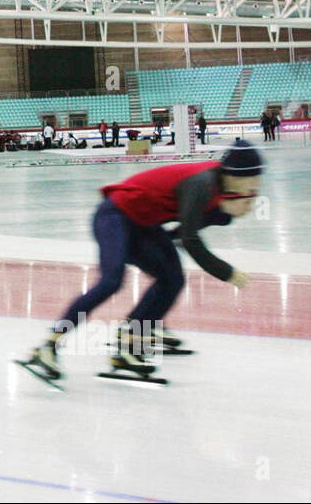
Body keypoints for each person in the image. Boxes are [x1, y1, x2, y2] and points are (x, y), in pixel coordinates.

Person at [18, 140, 263, 387]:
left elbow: (185, 228)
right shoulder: (202, 183)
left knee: (172, 279)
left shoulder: (223, 190)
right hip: (114, 216)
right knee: (111, 282)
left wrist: (224, 216)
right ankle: (48, 346)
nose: (255, 187)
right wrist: (226, 272)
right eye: (252, 180)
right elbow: (190, 238)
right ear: (233, 176)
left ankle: (129, 344)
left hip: (143, 225)